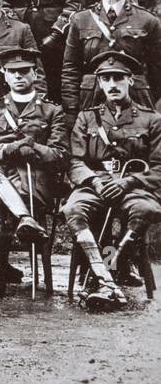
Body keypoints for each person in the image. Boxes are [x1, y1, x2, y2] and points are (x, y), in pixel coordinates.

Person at [64, 50, 161, 310]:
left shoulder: (151, 119)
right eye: (106, 79)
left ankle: (110, 272)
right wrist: (94, 181)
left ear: (131, 81)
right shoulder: (87, 118)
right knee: (73, 209)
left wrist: (128, 183)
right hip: (95, 184)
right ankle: (105, 277)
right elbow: (75, 161)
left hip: (134, 186)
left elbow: (159, 166)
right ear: (99, 83)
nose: (112, 84)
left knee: (144, 209)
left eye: (118, 78)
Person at [0, 47, 61, 298]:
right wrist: (10, 149)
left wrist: (32, 148)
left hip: (33, 181)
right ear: (4, 75)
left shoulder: (52, 111)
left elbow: (60, 154)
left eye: (24, 71)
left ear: (35, 73)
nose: (18, 76)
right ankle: (22, 222)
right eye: (12, 72)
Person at [61, 0, 161, 117]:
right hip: (91, 102)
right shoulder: (81, 19)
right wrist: (71, 109)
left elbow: (157, 69)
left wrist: (145, 95)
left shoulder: (147, 21)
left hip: (135, 102)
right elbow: (71, 68)